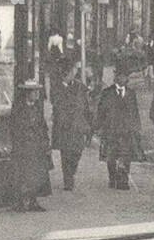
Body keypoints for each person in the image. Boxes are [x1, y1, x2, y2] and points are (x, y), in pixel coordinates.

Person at [50, 59, 92, 191]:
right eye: (72, 70)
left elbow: (86, 107)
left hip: (78, 125)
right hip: (64, 126)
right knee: (66, 152)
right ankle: (68, 179)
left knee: (77, 151)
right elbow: (56, 105)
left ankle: (71, 172)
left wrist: (88, 125)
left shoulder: (80, 86)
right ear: (66, 73)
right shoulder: (56, 88)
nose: (75, 72)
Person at [96, 69, 142, 189]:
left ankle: (123, 181)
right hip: (111, 130)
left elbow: (135, 111)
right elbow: (101, 111)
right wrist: (99, 126)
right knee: (111, 156)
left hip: (126, 131)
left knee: (126, 155)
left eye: (125, 76)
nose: (123, 79)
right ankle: (112, 177)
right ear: (116, 78)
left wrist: (137, 127)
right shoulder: (107, 93)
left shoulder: (131, 93)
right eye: (121, 76)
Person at [11, 82, 52, 211]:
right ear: (27, 94)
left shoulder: (37, 109)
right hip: (24, 147)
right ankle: (20, 202)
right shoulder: (19, 109)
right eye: (34, 92)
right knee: (23, 175)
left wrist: (46, 144)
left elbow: (43, 128)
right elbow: (16, 128)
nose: (37, 95)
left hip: (37, 147)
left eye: (37, 92)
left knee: (36, 175)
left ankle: (33, 201)